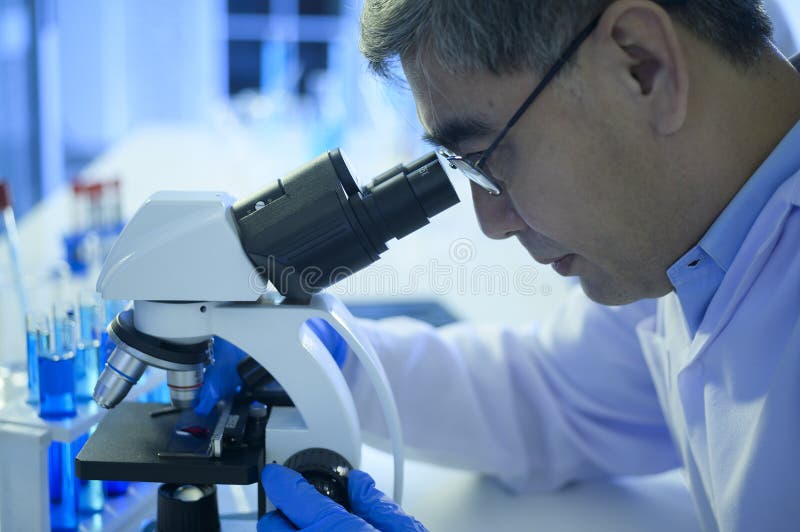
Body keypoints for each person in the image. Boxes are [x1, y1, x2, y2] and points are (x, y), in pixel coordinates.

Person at [201, 1, 800, 530]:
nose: (492, 223)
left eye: (487, 159)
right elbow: (555, 395)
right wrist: (322, 357)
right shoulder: (688, 238)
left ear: (642, 66)